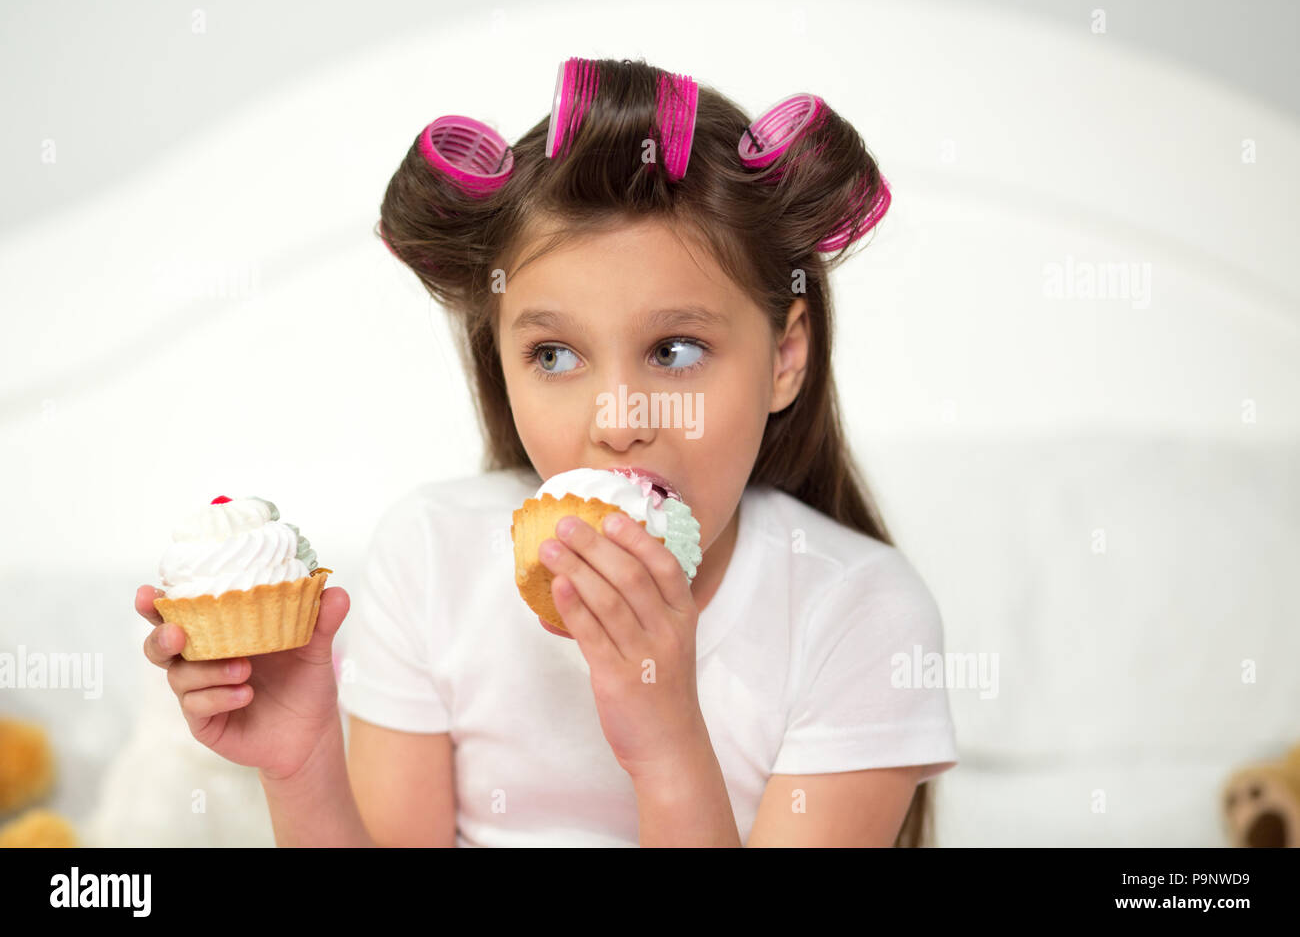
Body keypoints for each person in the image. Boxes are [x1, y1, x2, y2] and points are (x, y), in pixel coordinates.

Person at [135, 56, 957, 847]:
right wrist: (303, 765)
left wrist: (668, 745)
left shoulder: (858, 613)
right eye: (555, 356)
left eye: (675, 350)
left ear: (785, 356)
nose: (617, 419)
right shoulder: (432, 558)